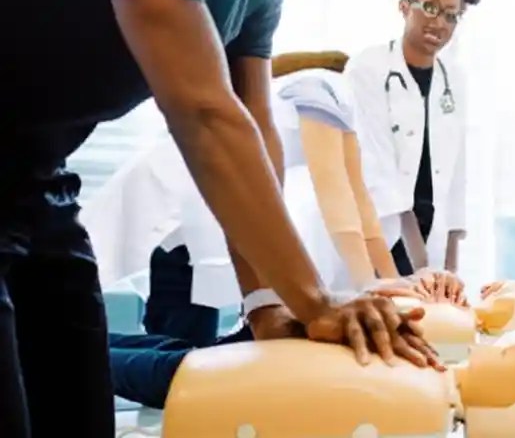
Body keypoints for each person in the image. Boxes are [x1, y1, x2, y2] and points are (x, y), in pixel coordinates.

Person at [0, 0, 426, 437]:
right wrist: (312, 298)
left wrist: (267, 305)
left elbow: (255, 133)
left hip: (34, 184)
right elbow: (203, 117)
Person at [102, 51, 459, 409]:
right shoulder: (325, 90)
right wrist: (363, 285)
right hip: (191, 205)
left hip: (222, 210)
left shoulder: (355, 121)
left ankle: (67, 344)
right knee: (194, 377)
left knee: (200, 363)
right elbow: (334, 191)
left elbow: (363, 203)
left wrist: (393, 278)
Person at [347, 0, 479, 277]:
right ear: (405, 7)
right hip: (382, 230)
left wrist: (449, 270)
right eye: (430, 8)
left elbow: (457, 175)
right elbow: (378, 172)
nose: (440, 23)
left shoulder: (455, 79)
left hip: (430, 230)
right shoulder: (369, 68)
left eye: (451, 15)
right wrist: (419, 267)